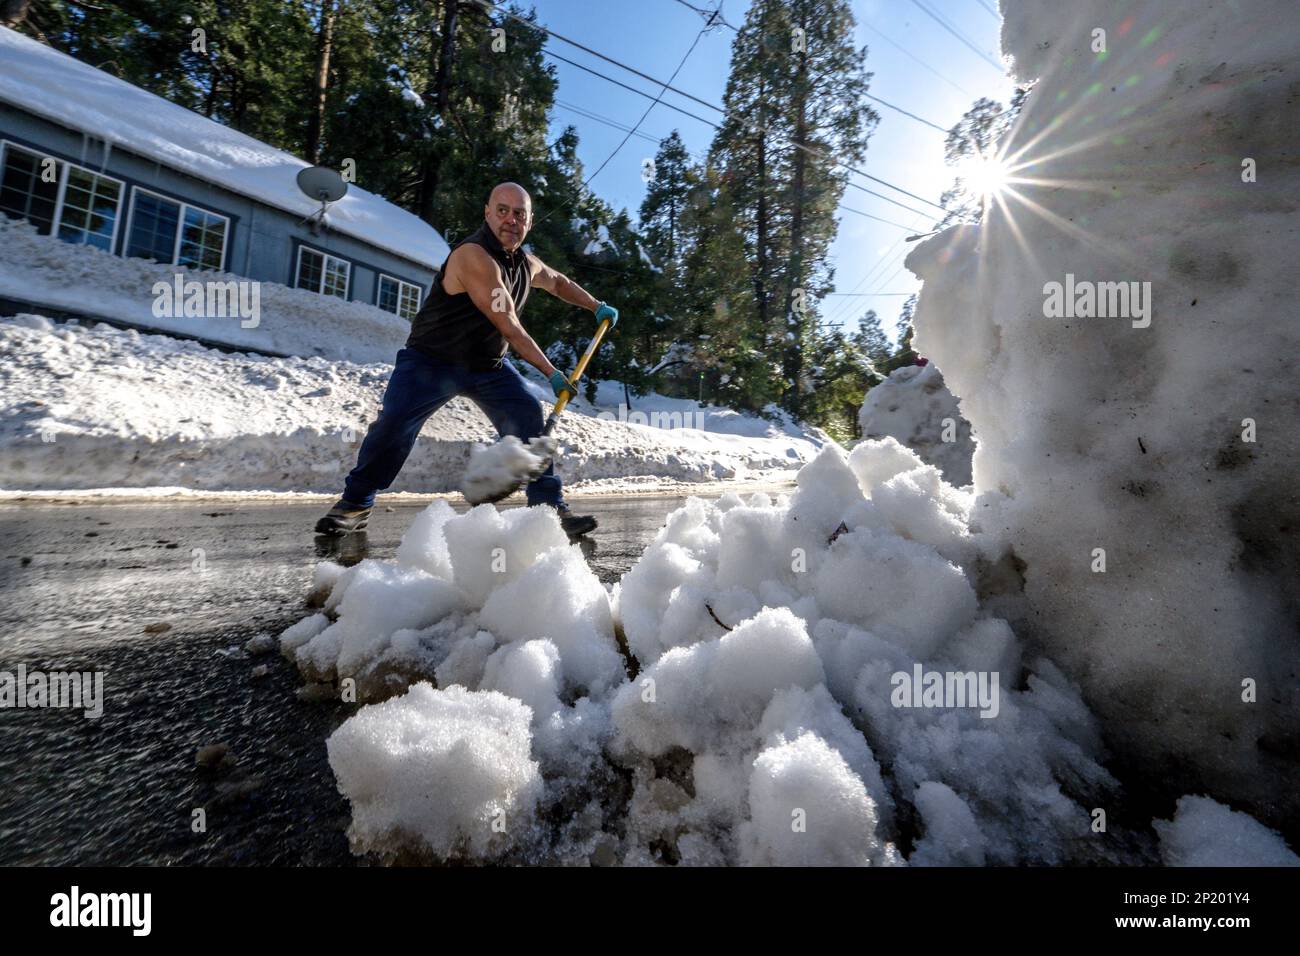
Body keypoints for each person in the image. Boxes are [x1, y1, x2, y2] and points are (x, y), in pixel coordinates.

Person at [314, 182, 617, 539]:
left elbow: (557, 282)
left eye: (519, 213)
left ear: (529, 222)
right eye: (502, 210)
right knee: (395, 424)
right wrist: (551, 372)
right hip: (432, 361)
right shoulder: (473, 256)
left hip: (487, 366)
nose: (510, 219)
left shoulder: (525, 263)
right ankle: (355, 504)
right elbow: (511, 327)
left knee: (528, 417)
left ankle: (548, 511)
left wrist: (595, 306)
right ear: (487, 213)